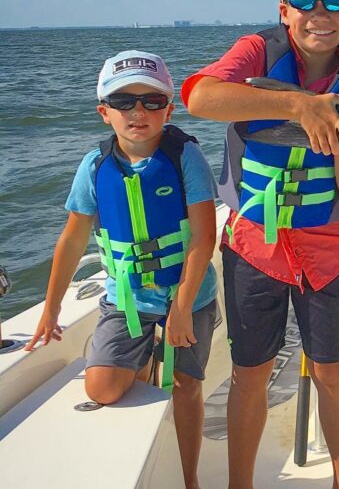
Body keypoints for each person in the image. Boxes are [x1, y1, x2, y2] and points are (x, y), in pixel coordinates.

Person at [183, 0, 339, 489]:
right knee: (250, 373)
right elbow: (200, 97)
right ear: (284, 9)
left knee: (332, 369)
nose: (319, 13)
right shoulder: (256, 51)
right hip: (253, 244)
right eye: (305, 0)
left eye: (334, 1)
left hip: (326, 245)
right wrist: (299, 106)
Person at [26, 50, 219, 489]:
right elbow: (72, 239)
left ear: (169, 109)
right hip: (127, 299)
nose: (138, 111)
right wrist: (50, 308)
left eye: (152, 101)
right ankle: (142, 355)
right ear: (104, 112)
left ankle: (190, 478)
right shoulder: (94, 166)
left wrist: (182, 307)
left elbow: (204, 237)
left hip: (189, 296)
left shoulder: (185, 156)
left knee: (186, 384)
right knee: (102, 388)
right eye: (123, 101)